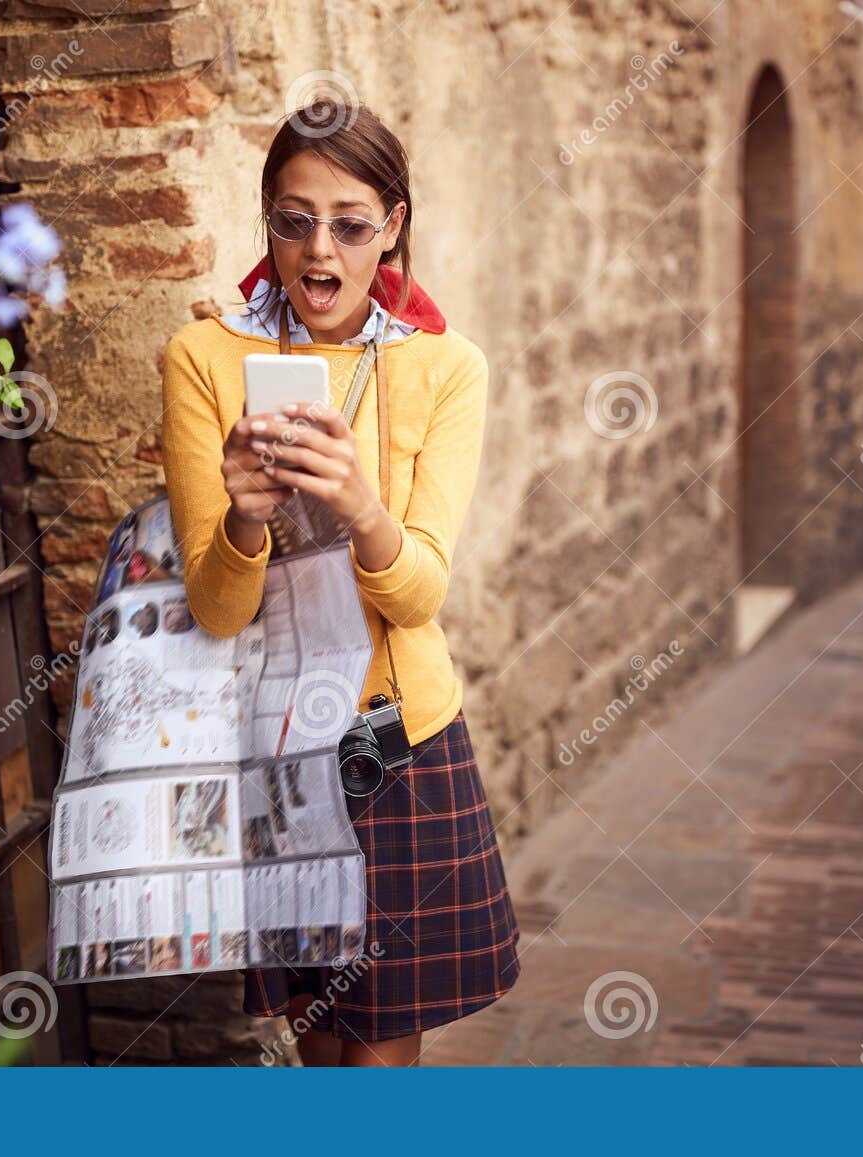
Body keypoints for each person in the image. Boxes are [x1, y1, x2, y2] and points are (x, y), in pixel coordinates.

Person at [160, 101, 518, 1067]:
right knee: (318, 1041)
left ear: (392, 227)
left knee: (380, 1053)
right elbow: (216, 609)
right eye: (292, 219)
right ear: (268, 217)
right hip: (276, 743)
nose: (319, 250)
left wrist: (362, 506)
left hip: (397, 741)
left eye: (351, 225)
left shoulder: (447, 368)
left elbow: (417, 596)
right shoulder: (204, 358)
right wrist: (242, 518)